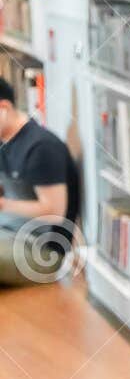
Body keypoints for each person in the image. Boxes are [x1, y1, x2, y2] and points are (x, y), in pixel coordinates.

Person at [0, 78, 80, 286]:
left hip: (40, 251)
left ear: (4, 108)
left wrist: (3, 204)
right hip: (8, 235)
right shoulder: (6, 143)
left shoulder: (41, 148)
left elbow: (53, 211)